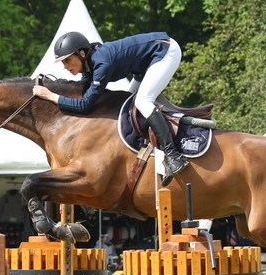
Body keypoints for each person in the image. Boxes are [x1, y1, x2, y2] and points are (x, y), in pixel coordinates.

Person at [33, 31, 187, 186]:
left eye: (68, 60)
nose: (65, 66)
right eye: (63, 62)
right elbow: (82, 93)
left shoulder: (101, 64)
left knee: (143, 101)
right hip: (145, 63)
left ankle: (173, 155)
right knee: (127, 102)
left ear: (81, 53)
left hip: (164, 51)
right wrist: (55, 88)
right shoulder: (89, 66)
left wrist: (51, 95)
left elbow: (85, 105)